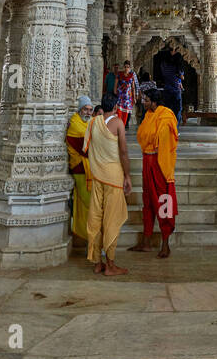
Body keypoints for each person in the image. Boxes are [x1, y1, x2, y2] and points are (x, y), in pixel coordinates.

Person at [83, 95, 134, 276]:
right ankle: (110, 265)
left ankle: (97, 262)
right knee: (112, 219)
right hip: (113, 177)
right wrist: (127, 176)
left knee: (95, 218)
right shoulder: (118, 123)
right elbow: (123, 152)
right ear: (116, 106)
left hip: (97, 176)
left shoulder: (92, 123)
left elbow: (86, 149)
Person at [130, 85, 179, 258]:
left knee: (163, 201)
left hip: (160, 165)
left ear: (154, 102)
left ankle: (166, 244)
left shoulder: (166, 116)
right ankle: (146, 241)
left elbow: (164, 143)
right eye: (143, 99)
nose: (143, 102)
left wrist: (165, 169)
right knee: (148, 201)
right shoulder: (148, 115)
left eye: (146, 100)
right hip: (147, 161)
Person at [66, 97, 95, 242]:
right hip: (80, 169)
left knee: (88, 205)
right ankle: (93, 238)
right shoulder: (75, 125)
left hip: (90, 168)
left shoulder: (89, 123)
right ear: (79, 110)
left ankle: (91, 238)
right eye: (85, 109)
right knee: (89, 204)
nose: (88, 113)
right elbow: (86, 149)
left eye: (90, 110)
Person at [161, 48, 185, 124]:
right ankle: (175, 126)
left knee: (168, 108)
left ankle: (168, 124)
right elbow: (182, 77)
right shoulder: (177, 67)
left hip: (167, 88)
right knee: (177, 110)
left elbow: (164, 74)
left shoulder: (164, 65)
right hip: (176, 90)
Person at [114, 61, 139, 126]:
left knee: (125, 114)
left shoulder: (131, 75)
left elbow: (133, 87)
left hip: (128, 97)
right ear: (123, 67)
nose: (126, 68)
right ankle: (118, 126)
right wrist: (115, 93)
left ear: (130, 68)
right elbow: (115, 85)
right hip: (120, 96)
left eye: (127, 67)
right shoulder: (119, 74)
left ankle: (123, 126)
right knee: (118, 112)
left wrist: (134, 97)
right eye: (125, 67)